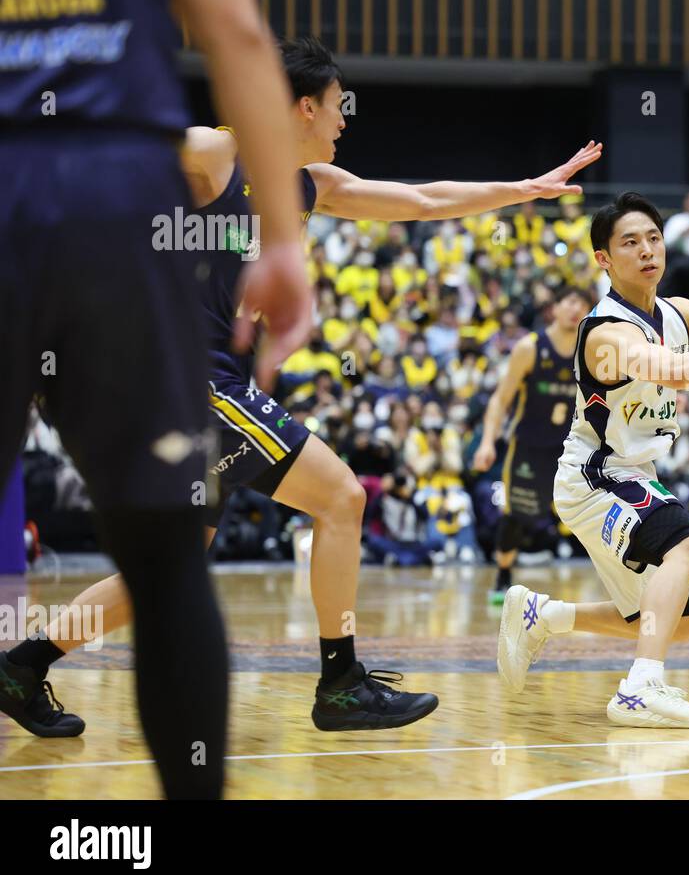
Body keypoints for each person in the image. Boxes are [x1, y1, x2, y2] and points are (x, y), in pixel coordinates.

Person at [5, 37, 602, 735]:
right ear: (299, 105)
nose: (345, 121)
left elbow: (421, 200)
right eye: (337, 107)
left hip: (197, 386)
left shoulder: (308, 186)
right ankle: (341, 681)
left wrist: (524, 190)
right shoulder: (213, 153)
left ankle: (21, 666)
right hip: (186, 380)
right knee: (343, 497)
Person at [0, 0, 311, 798]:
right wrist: (281, 241)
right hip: (115, 194)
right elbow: (237, 37)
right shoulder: (211, 156)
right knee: (169, 557)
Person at [496, 192, 689, 728]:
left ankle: (543, 616)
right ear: (603, 259)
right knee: (686, 543)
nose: (647, 250)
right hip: (595, 476)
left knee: (680, 622)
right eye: (630, 242)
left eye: (654, 238)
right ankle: (638, 689)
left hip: (634, 474)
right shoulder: (605, 332)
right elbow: (674, 370)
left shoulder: (678, 312)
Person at [473, 286, 592, 602]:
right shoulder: (529, 347)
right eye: (570, 301)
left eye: (583, 304)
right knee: (517, 515)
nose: (575, 308)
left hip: (570, 448)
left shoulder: (589, 352)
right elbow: (500, 400)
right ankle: (502, 577)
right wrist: (487, 442)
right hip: (528, 445)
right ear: (554, 307)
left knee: (588, 510)